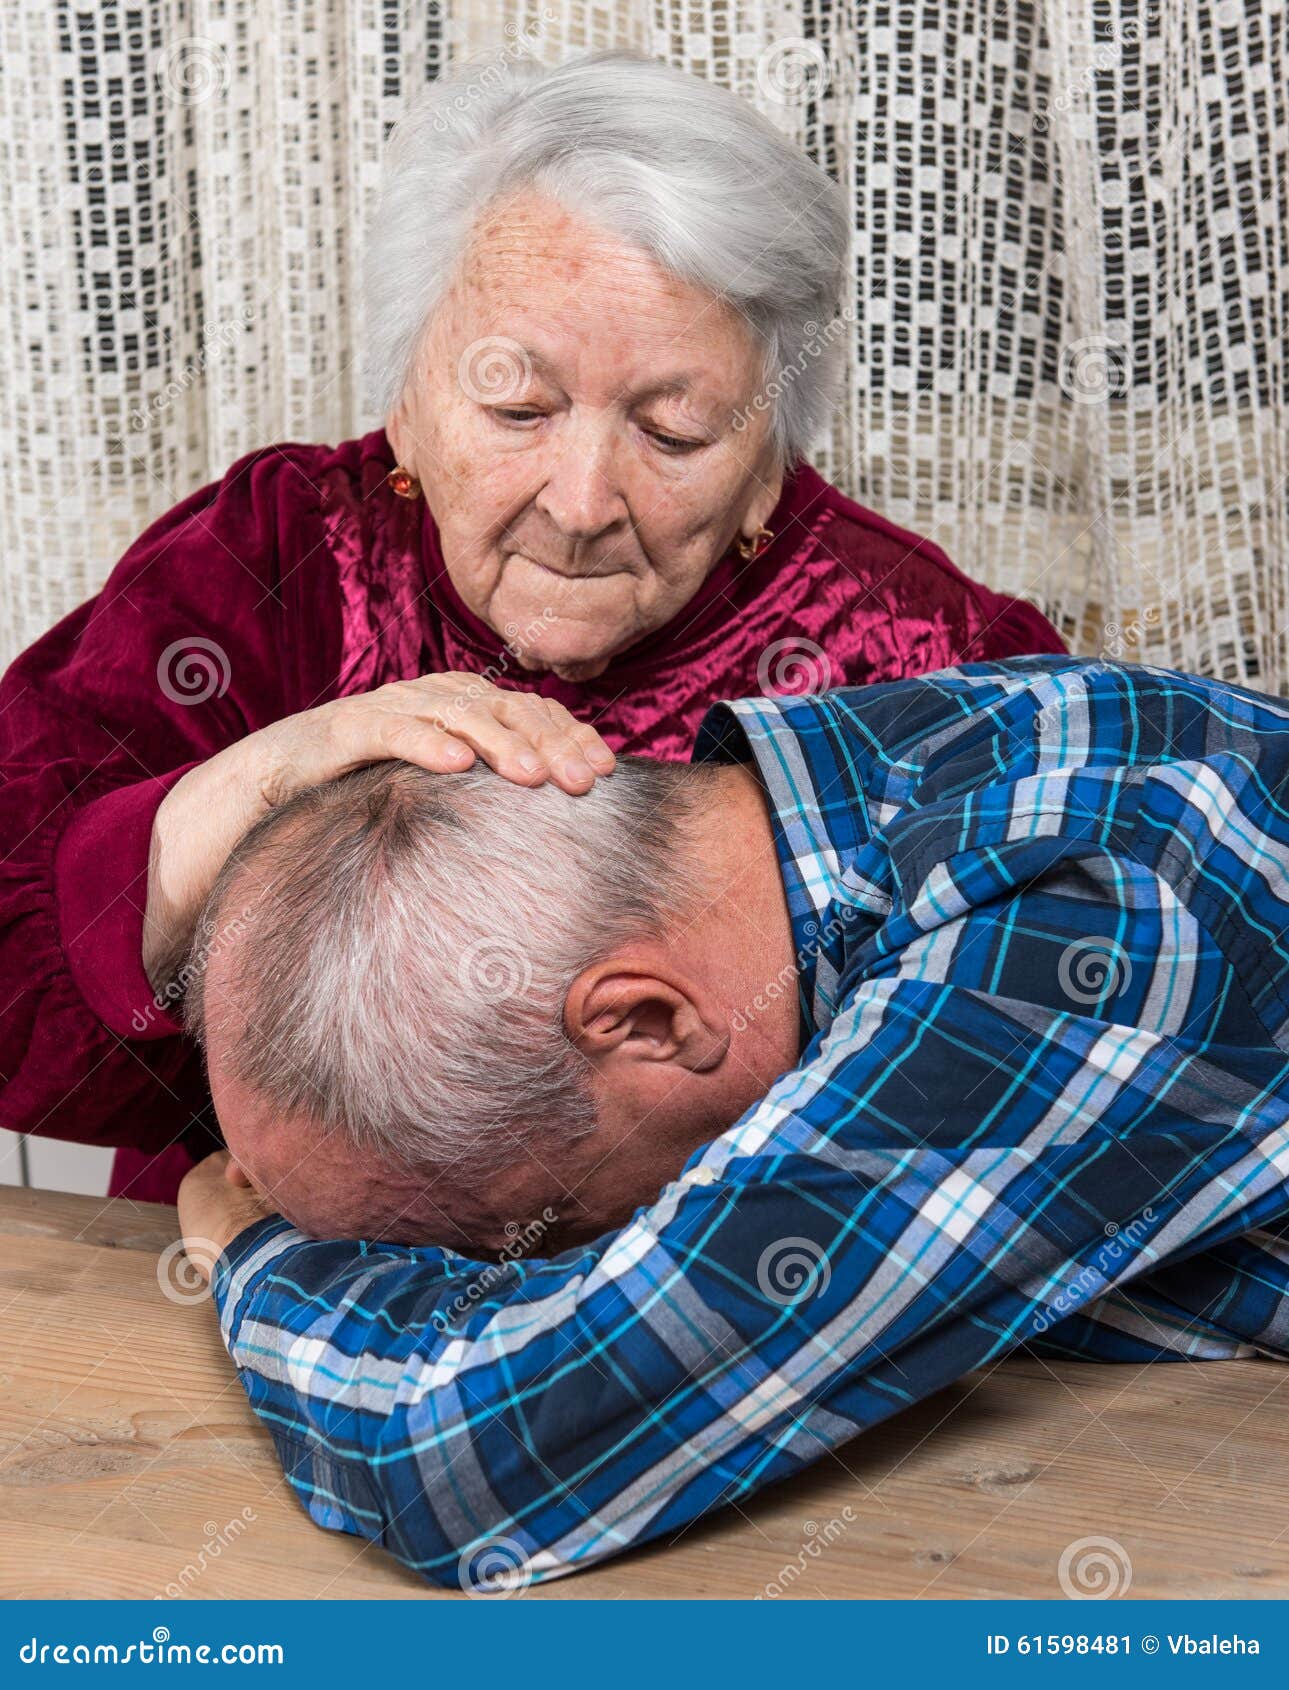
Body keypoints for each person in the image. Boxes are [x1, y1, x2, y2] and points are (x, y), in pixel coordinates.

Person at [0, 49, 1063, 1207]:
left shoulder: (927, 655)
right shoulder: (275, 558)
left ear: (768, 466)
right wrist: (271, 773)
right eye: (517, 408)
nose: (581, 503)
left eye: (675, 430)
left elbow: (1028, 1099)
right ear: (405, 408)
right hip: (243, 1266)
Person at [181, 654, 1289, 1592]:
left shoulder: (1066, 928)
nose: (519, 1271)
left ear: (647, 1020)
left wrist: (248, 1250)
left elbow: (474, 1455)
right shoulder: (875, 791)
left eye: (510, 1235)